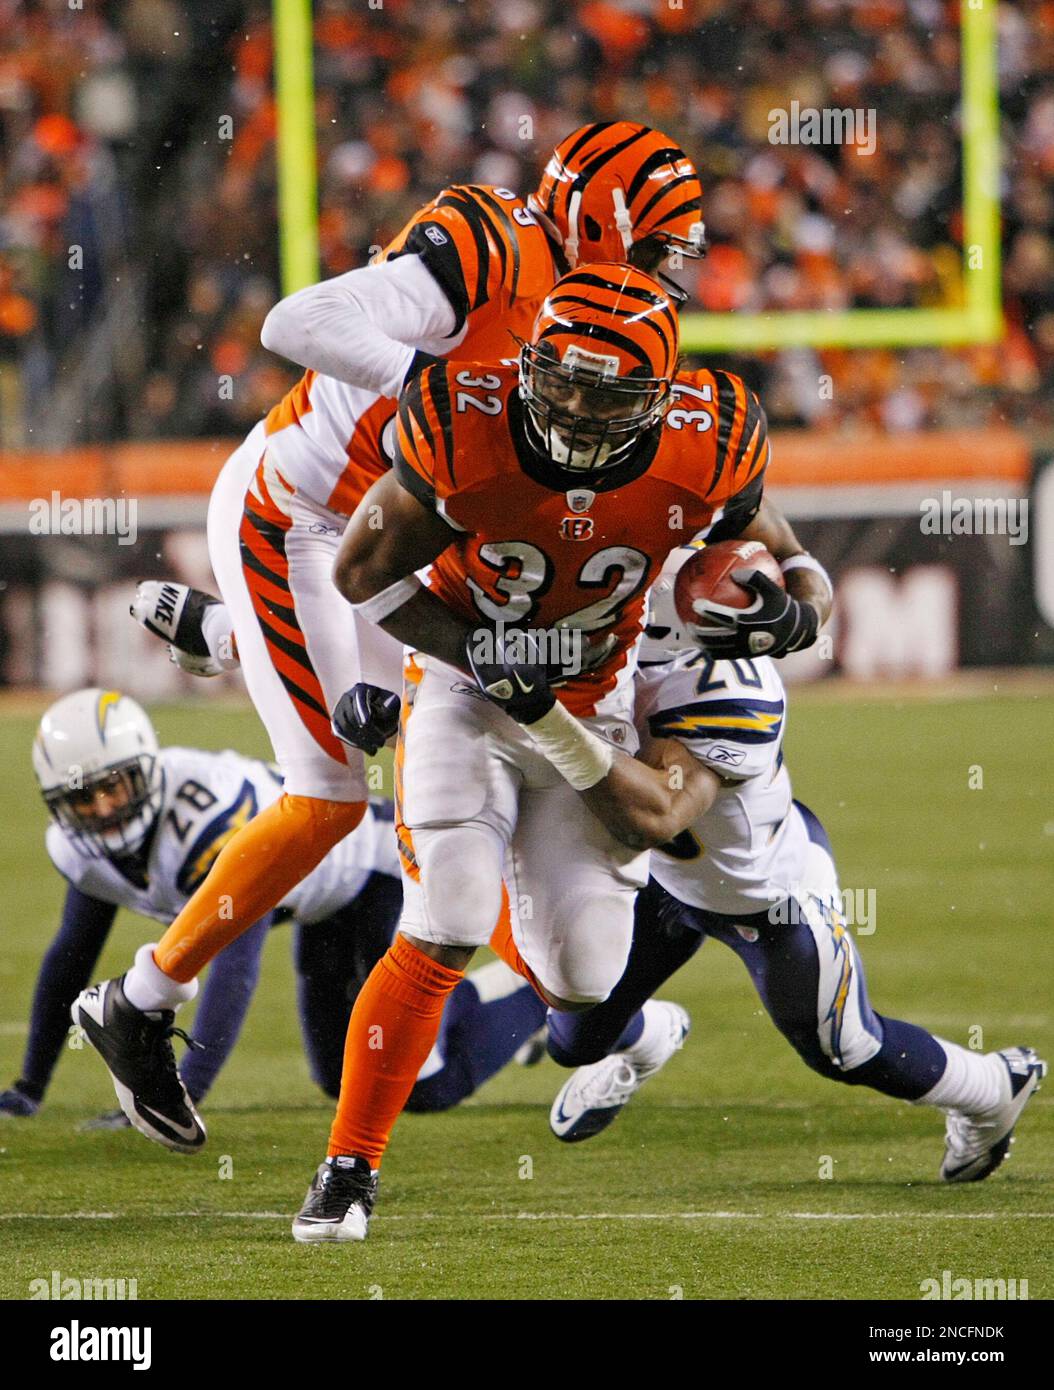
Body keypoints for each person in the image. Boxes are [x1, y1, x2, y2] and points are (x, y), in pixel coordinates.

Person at [75, 124, 710, 1154]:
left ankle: (238, 641)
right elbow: (300, 318)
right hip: (301, 519)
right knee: (329, 795)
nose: (668, 272)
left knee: (462, 766)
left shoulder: (594, 325)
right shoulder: (489, 248)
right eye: (657, 246)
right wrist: (431, 390)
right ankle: (139, 1001)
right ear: (604, 223)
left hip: (395, 549)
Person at [288, 262, 832, 1241]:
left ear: (659, 401)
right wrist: (474, 653)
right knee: (445, 916)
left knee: (583, 978)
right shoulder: (463, 419)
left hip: (591, 709)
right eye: (563, 379)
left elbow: (783, 550)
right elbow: (358, 571)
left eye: (607, 391)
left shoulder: (707, 443)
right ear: (532, 363)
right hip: (462, 691)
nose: (576, 407)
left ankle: (635, 1021)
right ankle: (347, 1168)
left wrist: (804, 608)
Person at [515, 549, 1047, 1183]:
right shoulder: (650, 564)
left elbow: (654, 814)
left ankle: (992, 1086)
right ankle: (652, 1038)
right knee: (575, 1034)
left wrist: (542, 714)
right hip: (662, 881)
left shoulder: (731, 692)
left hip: (764, 896)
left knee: (847, 1048)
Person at [2, 689, 544, 1135]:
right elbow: (71, 956)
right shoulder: (80, 849)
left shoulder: (202, 820)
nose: (103, 810)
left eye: (114, 787)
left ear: (143, 771)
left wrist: (181, 1093)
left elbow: (234, 966)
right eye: (82, 799)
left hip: (376, 869)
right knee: (341, 1076)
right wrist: (30, 1086)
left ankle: (541, 996)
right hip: (320, 902)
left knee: (421, 1081)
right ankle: (508, 1004)